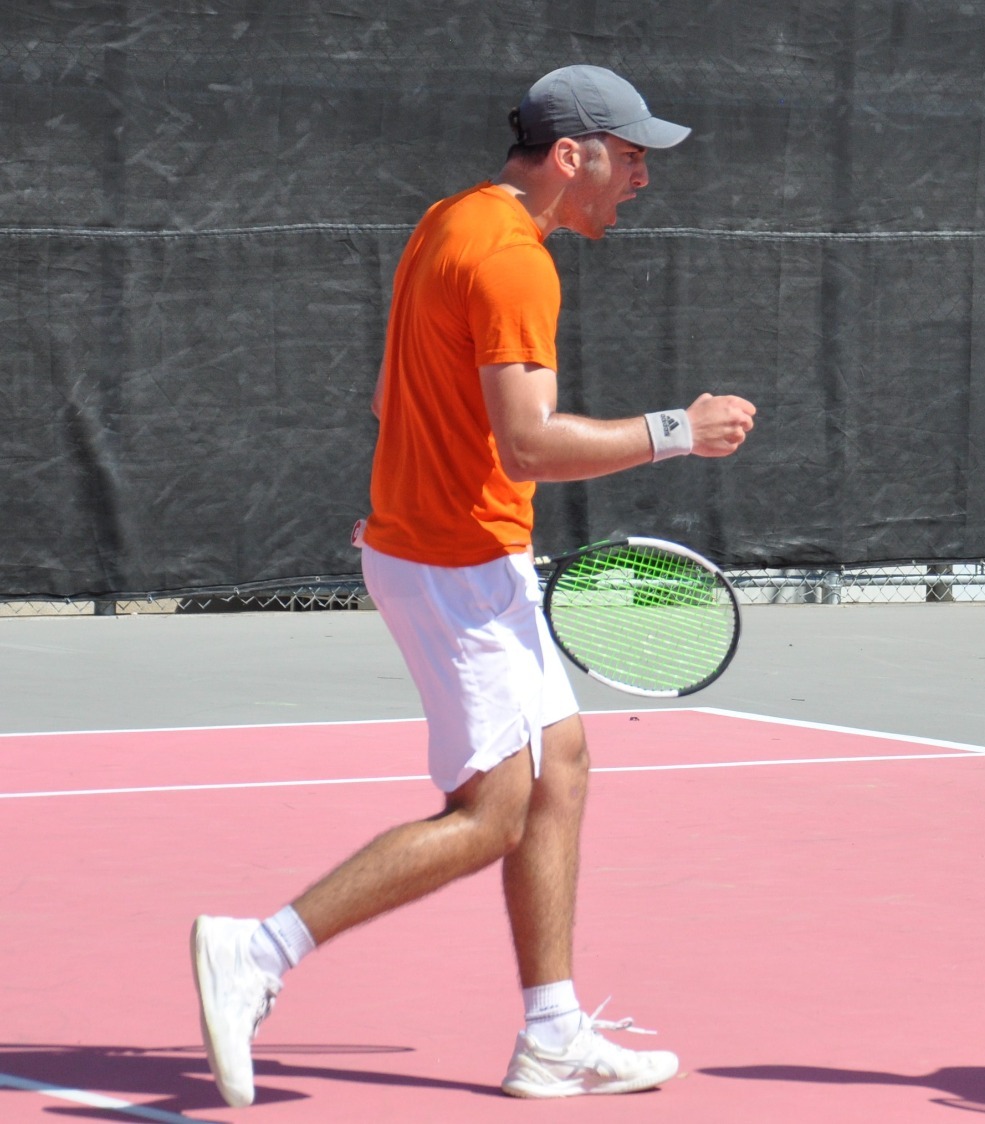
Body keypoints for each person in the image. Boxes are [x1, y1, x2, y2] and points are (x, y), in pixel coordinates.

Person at [189, 64, 757, 1107]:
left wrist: (414, 499)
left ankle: (551, 1033)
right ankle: (257, 951)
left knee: (564, 766)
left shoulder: (448, 222)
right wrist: (680, 430)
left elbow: (388, 393)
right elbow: (531, 443)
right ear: (570, 155)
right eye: (629, 159)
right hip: (453, 563)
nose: (640, 179)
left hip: (443, 547)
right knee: (494, 809)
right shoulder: (512, 264)